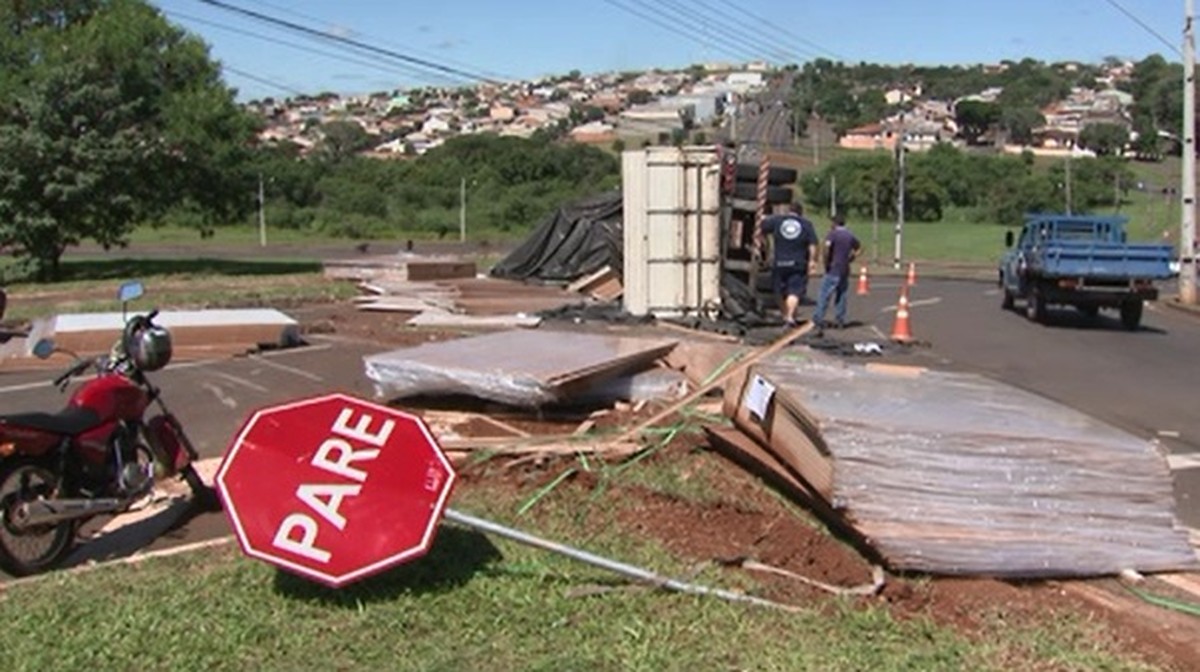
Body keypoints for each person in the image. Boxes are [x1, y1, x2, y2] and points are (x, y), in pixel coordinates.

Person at [759, 202, 818, 326]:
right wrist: (812, 261)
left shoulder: (777, 221)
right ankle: (790, 316)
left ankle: (786, 315)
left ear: (788, 211)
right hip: (798, 262)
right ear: (800, 212)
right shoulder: (806, 224)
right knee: (794, 291)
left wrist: (764, 247)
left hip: (779, 262)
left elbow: (761, 227)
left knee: (778, 291)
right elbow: (813, 245)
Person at [812, 213, 861, 333]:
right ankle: (840, 319)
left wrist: (826, 262)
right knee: (841, 295)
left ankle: (818, 318)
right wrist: (851, 257)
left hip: (833, 268)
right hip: (844, 269)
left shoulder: (832, 234)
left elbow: (826, 248)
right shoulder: (849, 235)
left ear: (834, 223)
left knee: (824, 294)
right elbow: (859, 247)